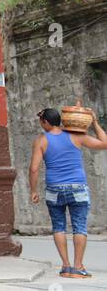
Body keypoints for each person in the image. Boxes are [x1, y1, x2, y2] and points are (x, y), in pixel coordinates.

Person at [29, 106, 107, 278]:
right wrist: (94, 122)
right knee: (79, 226)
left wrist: (33, 190)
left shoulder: (41, 140)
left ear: (46, 122)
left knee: (58, 227)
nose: (41, 125)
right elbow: (105, 143)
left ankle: (66, 267)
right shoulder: (76, 136)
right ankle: (78, 267)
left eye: (41, 121)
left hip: (54, 189)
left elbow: (34, 169)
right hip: (77, 187)